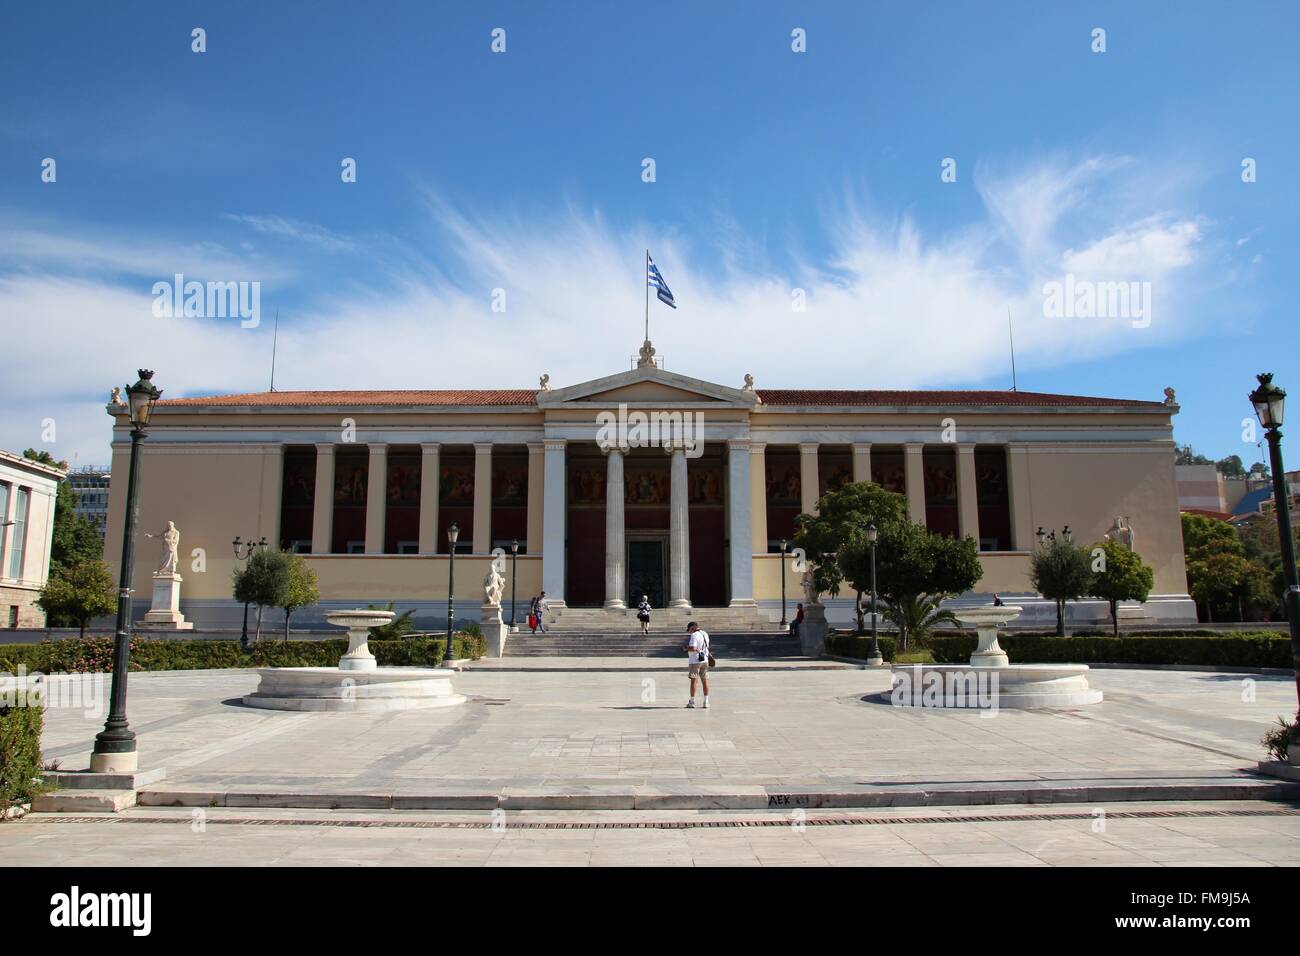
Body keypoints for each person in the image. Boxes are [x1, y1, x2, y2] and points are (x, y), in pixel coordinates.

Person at [683, 621, 711, 709]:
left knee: (694, 680)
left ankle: (692, 701)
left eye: (689, 630)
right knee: (705, 680)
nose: (689, 632)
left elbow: (693, 648)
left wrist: (686, 648)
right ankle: (706, 701)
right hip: (705, 660)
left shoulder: (694, 635)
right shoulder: (705, 634)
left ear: (692, 628)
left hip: (695, 661)